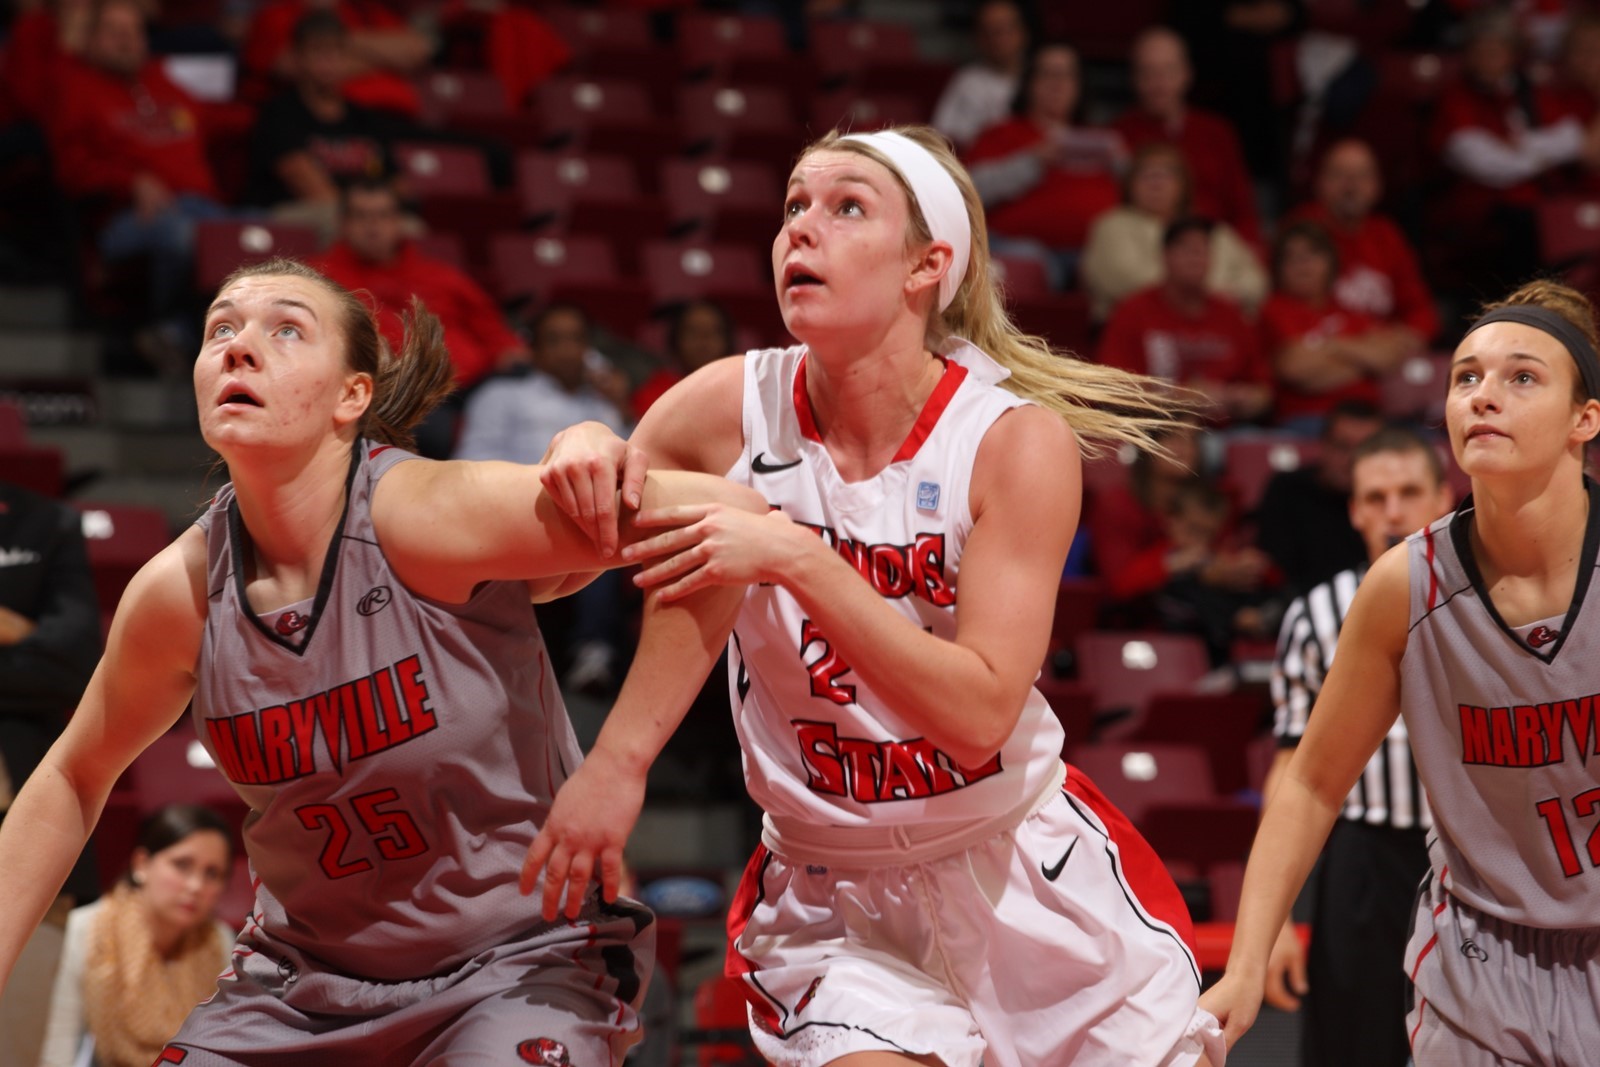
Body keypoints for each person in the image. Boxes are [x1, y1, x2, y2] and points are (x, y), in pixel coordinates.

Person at [527, 124, 1223, 1067]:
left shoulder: (1012, 441)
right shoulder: (724, 407)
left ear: (924, 267)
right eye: (792, 208)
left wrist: (798, 558)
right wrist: (581, 451)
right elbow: (550, 578)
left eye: (845, 206)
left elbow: (979, 713)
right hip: (833, 893)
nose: (800, 231)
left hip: (1017, 867)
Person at [0, 256, 763, 1065]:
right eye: (220, 328)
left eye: (285, 329)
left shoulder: (424, 515)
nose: (239, 347)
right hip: (299, 985)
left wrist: (619, 760)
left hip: (512, 963)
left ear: (351, 396)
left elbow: (734, 516)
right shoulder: (180, 592)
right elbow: (73, 777)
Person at [1203, 278, 1600, 1064]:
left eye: (1522, 376)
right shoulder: (1402, 586)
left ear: (1584, 419)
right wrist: (1245, 964)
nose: (1484, 395)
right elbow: (1313, 781)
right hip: (1480, 956)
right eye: (1465, 376)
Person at [1263, 425, 1453, 1067]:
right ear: (1353, 509)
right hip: (1363, 861)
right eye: (1374, 497)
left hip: (1467, 856)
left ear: (1442, 498)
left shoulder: (1488, 602)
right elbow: (1292, 767)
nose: (1392, 512)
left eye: (1407, 492)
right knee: (1354, 1048)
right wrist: (1276, 917)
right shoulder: (1316, 614)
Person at [47, 0, 228, 364]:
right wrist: (130, 182)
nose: (127, 41)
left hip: (202, 208)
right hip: (124, 218)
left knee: (252, 237)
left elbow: (219, 122)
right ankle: (172, 327)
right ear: (91, 39)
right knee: (184, 237)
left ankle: (180, 332)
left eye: (133, 32)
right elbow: (71, 170)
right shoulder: (75, 88)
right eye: (115, 32)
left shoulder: (161, 81)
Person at [0, 478, 100, 1067]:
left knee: (17, 1051)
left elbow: (76, 663)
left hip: (26, 836)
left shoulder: (46, 524)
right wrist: (17, 629)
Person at [38, 803, 236, 1067]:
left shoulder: (218, 940)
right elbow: (58, 1049)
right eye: (182, 865)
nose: (196, 885)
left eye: (212, 873)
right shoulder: (87, 929)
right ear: (142, 864)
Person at [315, 177, 527, 393]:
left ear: (399, 221)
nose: (373, 225)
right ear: (343, 223)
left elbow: (491, 327)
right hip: (393, 393)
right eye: (361, 216)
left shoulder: (441, 275)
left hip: (473, 385)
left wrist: (508, 350)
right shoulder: (319, 280)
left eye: (383, 215)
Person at [965, 41, 1126, 289]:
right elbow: (969, 191)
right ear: (1029, 82)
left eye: (1067, 75)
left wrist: (1123, 165)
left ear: (1080, 86)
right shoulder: (1001, 133)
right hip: (1022, 250)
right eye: (1047, 74)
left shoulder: (1102, 140)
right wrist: (1032, 161)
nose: (1057, 83)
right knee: (1028, 262)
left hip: (1093, 255)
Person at [1096, 217, 1273, 427]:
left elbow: (1264, 391)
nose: (1196, 257)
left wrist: (1246, 398)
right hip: (1156, 431)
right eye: (1186, 248)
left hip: (1227, 431)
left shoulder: (1230, 313)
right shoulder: (1133, 311)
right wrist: (1185, 397)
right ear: (1165, 256)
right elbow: (1111, 392)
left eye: (1203, 249)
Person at [244, 12, 405, 240]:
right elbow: (307, 184)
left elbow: (396, 183)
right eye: (318, 51)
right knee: (338, 222)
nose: (328, 61)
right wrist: (365, 218)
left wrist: (378, 214)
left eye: (337, 52)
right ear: (298, 57)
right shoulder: (280, 114)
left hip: (361, 215)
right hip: (292, 214)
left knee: (410, 227)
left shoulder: (366, 119)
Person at [1080, 141, 1266, 321]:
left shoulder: (1215, 230)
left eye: (1167, 174)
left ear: (1184, 184)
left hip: (1214, 330)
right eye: (1146, 174)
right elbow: (1121, 280)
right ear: (1129, 183)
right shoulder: (1112, 225)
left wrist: (1206, 297)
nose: (1156, 183)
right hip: (1139, 331)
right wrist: (1205, 296)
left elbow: (1256, 281)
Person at [1113, 27, 1262, 247]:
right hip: (1145, 246)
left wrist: (1248, 249)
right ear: (1134, 79)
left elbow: (1242, 208)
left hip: (1215, 246)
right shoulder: (1117, 134)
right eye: (1148, 72)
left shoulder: (1217, 132)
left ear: (1187, 74)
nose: (1158, 83)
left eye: (1168, 71)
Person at [1259, 220, 1414, 430]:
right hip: (1308, 422)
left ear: (1331, 262)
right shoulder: (1273, 310)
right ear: (1278, 268)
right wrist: (1363, 362)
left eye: (1312, 254)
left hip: (1370, 420)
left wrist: (1330, 346)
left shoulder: (1350, 311)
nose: (1302, 265)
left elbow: (1388, 356)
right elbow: (1294, 369)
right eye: (1291, 258)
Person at [1285, 138, 1440, 345]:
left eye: (1362, 176)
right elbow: (1284, 311)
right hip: (1322, 351)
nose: (1350, 186)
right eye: (1339, 175)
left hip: (1383, 353)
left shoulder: (1386, 234)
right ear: (1319, 182)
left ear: (1378, 186)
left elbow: (1422, 313)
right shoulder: (1301, 230)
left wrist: (1396, 343)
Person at [1253, 397, 1383, 592]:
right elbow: (1274, 570)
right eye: (1342, 446)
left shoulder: (1389, 501)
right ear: (1323, 445)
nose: (1352, 460)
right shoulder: (1288, 489)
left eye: (1366, 449)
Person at [931, 0, 1030, 151]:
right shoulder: (967, 80)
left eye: (1005, 29)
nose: (998, 39)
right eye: (990, 31)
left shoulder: (1040, 76)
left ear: (1023, 32)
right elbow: (942, 137)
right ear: (978, 37)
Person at [631, 300, 736, 421]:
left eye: (712, 332)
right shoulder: (657, 390)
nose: (703, 341)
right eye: (693, 332)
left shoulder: (743, 391)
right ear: (676, 340)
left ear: (728, 340)